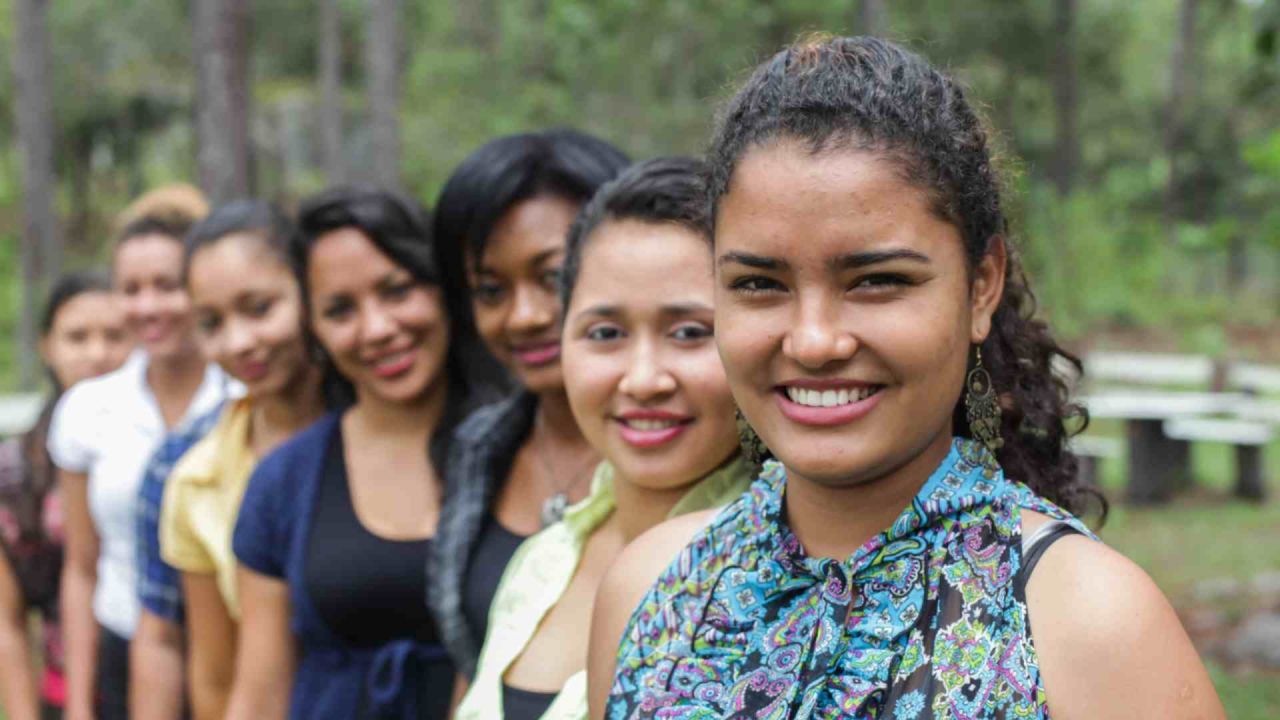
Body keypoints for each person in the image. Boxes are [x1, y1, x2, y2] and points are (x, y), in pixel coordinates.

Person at [590, 36, 1226, 719]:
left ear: (981, 286)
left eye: (877, 281)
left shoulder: (1088, 625)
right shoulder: (652, 591)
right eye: (758, 283)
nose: (813, 340)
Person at [457, 157, 757, 720]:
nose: (643, 379)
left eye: (690, 332)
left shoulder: (778, 576)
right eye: (606, 333)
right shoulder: (545, 557)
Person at [226, 187, 491, 720]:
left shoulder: (521, 449)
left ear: (443, 288)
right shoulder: (284, 481)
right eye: (340, 310)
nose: (377, 329)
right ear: (315, 331)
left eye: (397, 290)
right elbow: (259, 696)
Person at [428, 129, 630, 682]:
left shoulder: (687, 446)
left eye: (554, 277)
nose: (524, 315)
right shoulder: (479, 449)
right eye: (491, 291)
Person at [48, 203, 235, 720]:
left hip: (232, 652)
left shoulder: (244, 398)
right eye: (131, 289)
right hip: (125, 651)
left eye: (167, 285)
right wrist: (80, 703)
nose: (149, 306)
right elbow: (82, 568)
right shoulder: (88, 409)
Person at [151, 201, 325, 720]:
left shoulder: (388, 436)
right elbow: (216, 674)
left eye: (259, 308)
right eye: (211, 323)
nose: (239, 342)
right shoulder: (196, 481)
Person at [0, 272, 132, 720]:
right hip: (64, 697)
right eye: (78, 337)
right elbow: (8, 624)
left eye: (116, 335)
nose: (98, 354)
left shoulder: (164, 450)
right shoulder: (14, 470)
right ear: (47, 346)